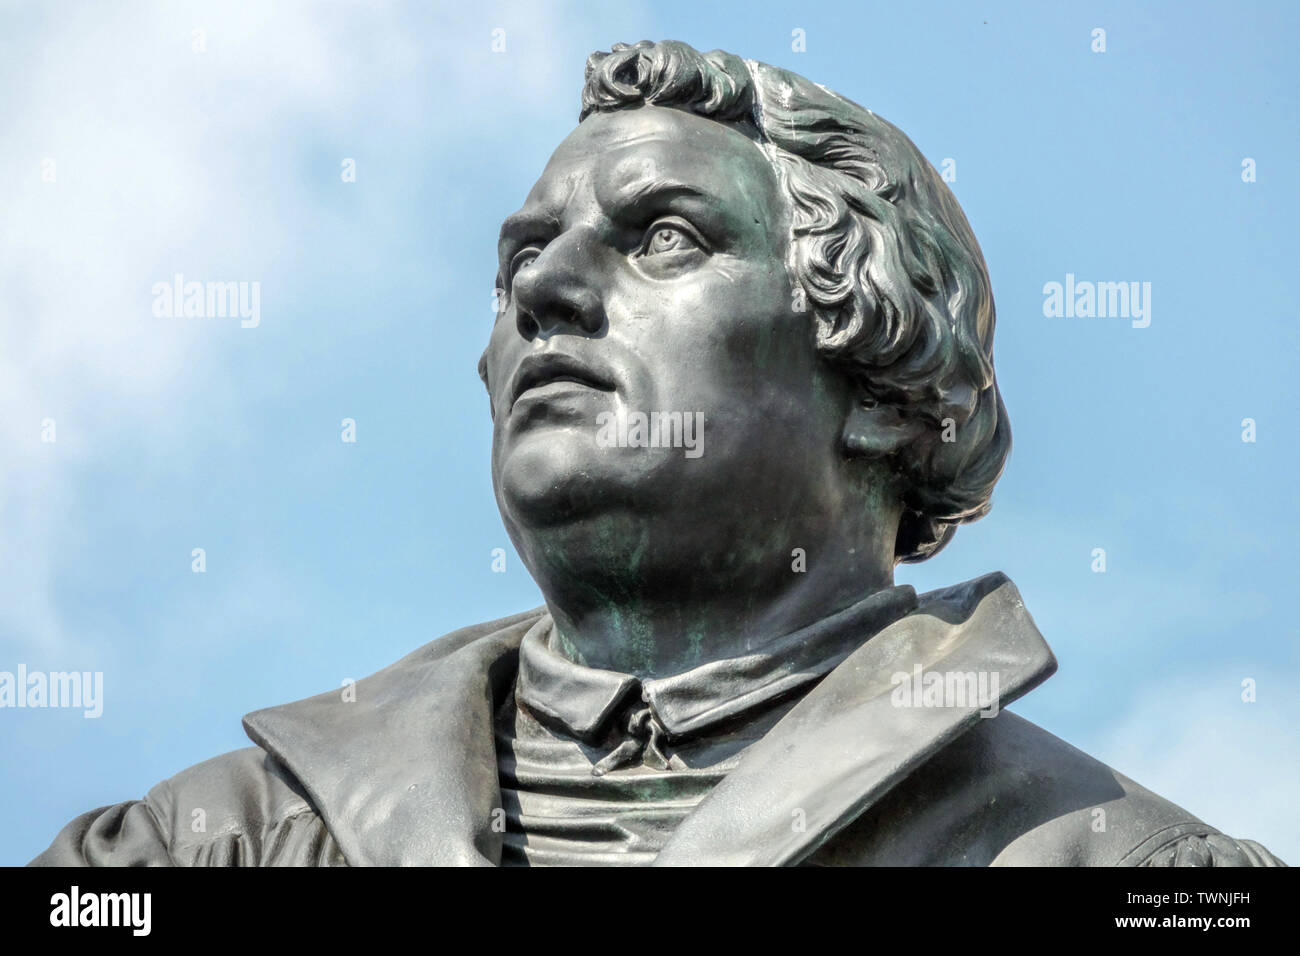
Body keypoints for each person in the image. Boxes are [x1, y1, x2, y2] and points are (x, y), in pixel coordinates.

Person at [31, 40, 1283, 867]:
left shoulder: (1122, 868)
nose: (545, 293)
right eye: (520, 260)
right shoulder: (207, 846)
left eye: (666, 239)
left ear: (880, 380)